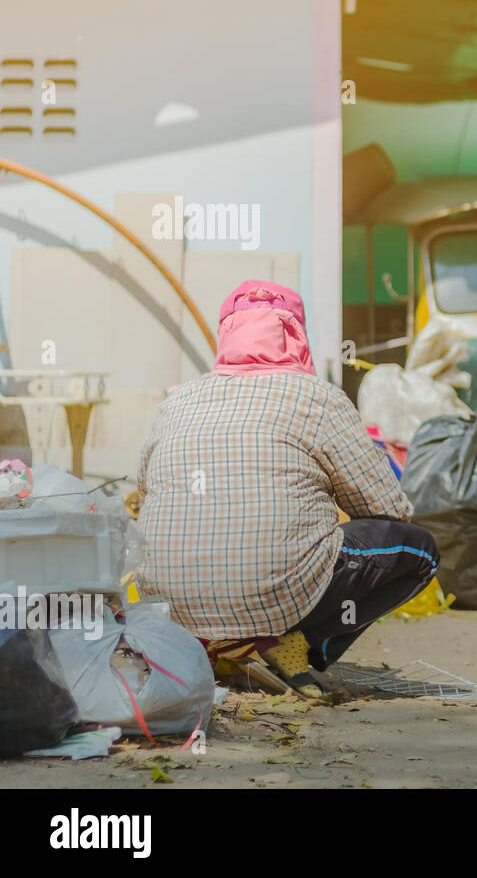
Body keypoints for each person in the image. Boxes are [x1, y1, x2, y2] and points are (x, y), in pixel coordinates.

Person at [136, 280, 437, 695]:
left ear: (226, 334)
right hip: (276, 589)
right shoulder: (318, 397)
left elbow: (144, 494)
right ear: (296, 334)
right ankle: (297, 647)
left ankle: (210, 646)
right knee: (419, 550)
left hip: (168, 602)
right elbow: (387, 508)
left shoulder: (178, 401)